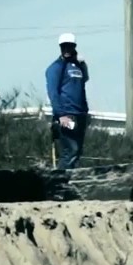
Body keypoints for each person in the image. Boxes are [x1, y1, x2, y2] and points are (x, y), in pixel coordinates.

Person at [45, 32, 90, 169]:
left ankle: (71, 182)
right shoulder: (56, 67)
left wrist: (86, 112)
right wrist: (61, 115)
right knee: (70, 150)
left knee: (77, 152)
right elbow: (53, 93)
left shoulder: (78, 66)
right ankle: (60, 183)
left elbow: (82, 85)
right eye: (63, 46)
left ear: (73, 46)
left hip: (80, 115)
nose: (66, 49)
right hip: (66, 115)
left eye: (69, 46)